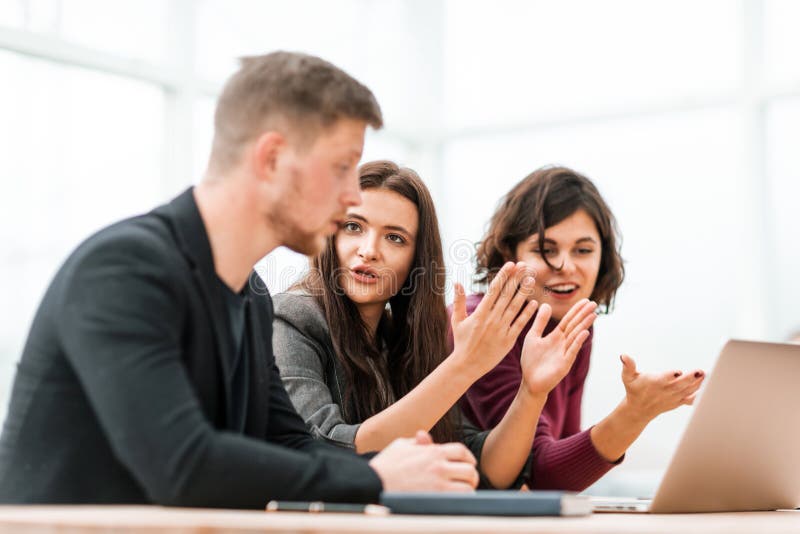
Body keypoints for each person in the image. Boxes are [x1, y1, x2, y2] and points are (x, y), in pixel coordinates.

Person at [0, 52, 481, 507]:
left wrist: (410, 467)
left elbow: (291, 444)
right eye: (340, 169)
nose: (351, 195)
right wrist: (375, 477)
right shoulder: (123, 270)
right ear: (271, 159)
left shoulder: (249, 298)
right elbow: (182, 463)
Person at [273, 160, 597, 489]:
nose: (369, 251)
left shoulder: (403, 339)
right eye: (354, 227)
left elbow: (487, 470)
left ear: (417, 262)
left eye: (395, 238)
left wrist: (531, 392)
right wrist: (465, 365)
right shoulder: (292, 317)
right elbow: (324, 449)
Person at [460, 166, 706, 491]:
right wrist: (635, 413)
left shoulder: (572, 322)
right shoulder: (483, 324)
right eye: (546, 250)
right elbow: (539, 473)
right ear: (510, 254)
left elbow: (561, 462)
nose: (566, 266)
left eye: (583, 250)